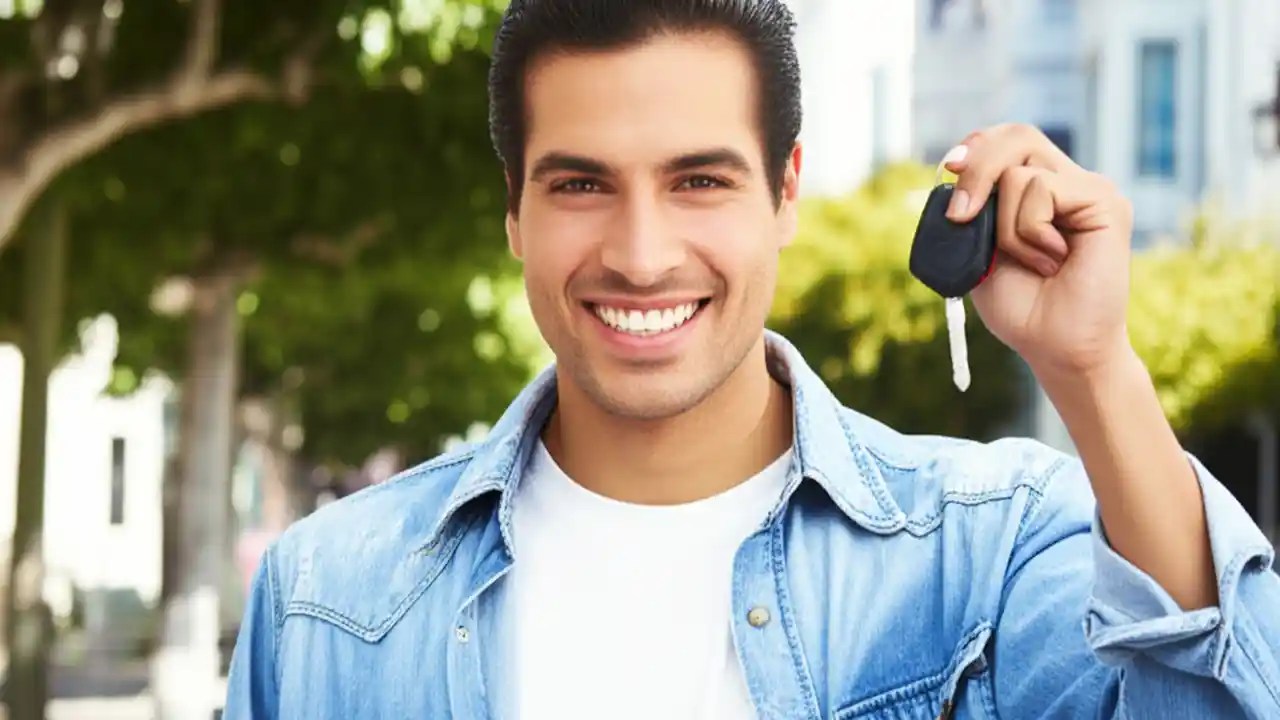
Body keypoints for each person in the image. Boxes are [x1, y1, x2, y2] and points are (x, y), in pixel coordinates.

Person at [224, 1, 1280, 718]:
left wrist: (1094, 371)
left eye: (699, 182)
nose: (641, 256)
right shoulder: (322, 598)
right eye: (581, 185)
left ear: (784, 193)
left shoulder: (989, 552)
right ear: (513, 211)